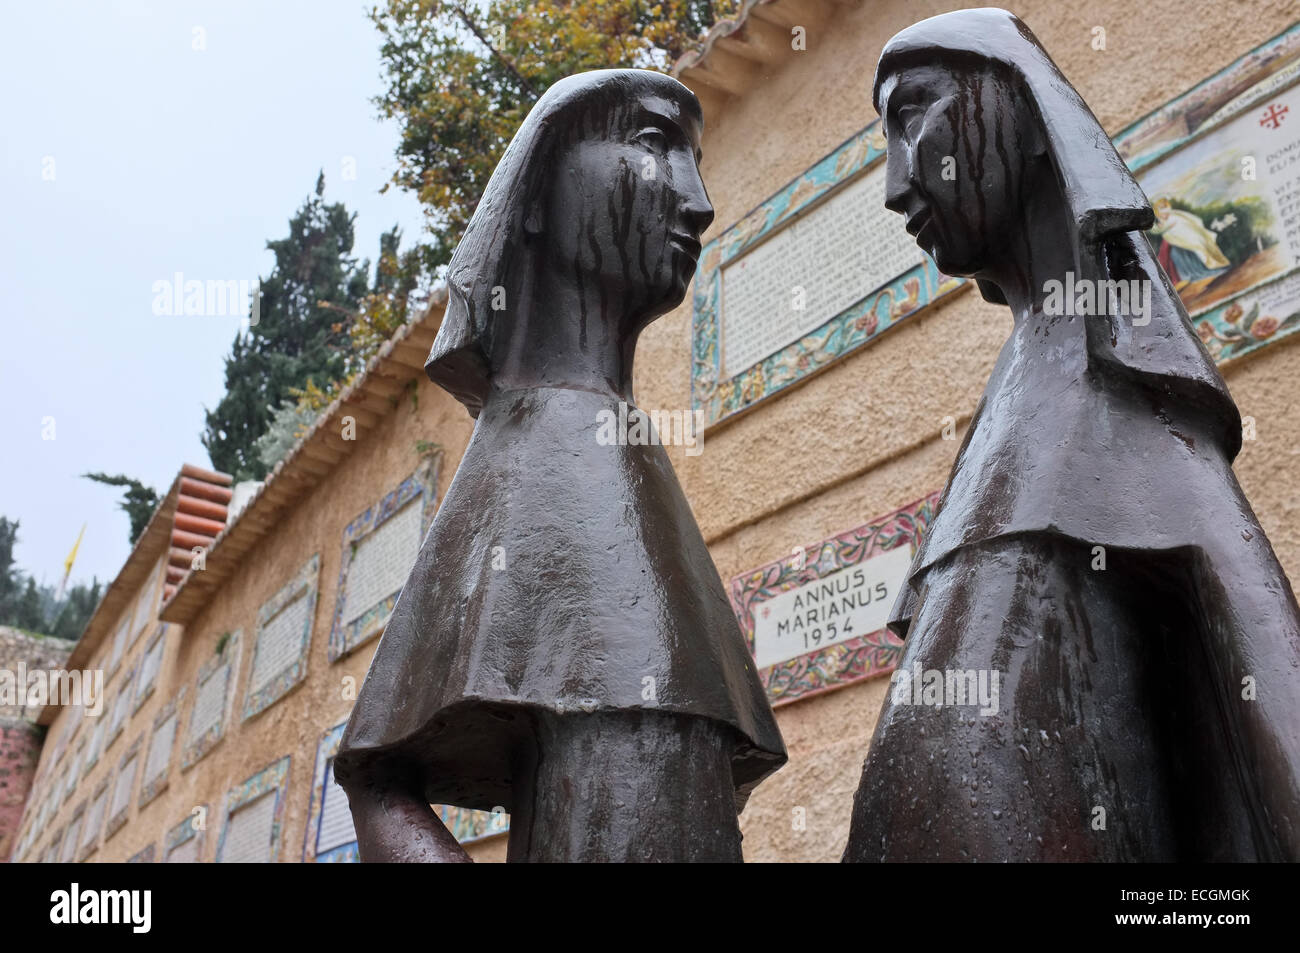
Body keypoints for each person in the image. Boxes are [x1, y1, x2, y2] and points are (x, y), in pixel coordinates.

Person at [844, 8, 1300, 862]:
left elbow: (1259, 673)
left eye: (915, 118)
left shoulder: (1122, 382)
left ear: (1023, 114)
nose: (897, 186)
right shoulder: (1023, 379)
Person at [334, 69, 786, 863]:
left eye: (698, 160)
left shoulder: (631, 447)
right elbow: (376, 775)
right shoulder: (522, 449)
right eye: (653, 144)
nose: (698, 200)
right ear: (538, 195)